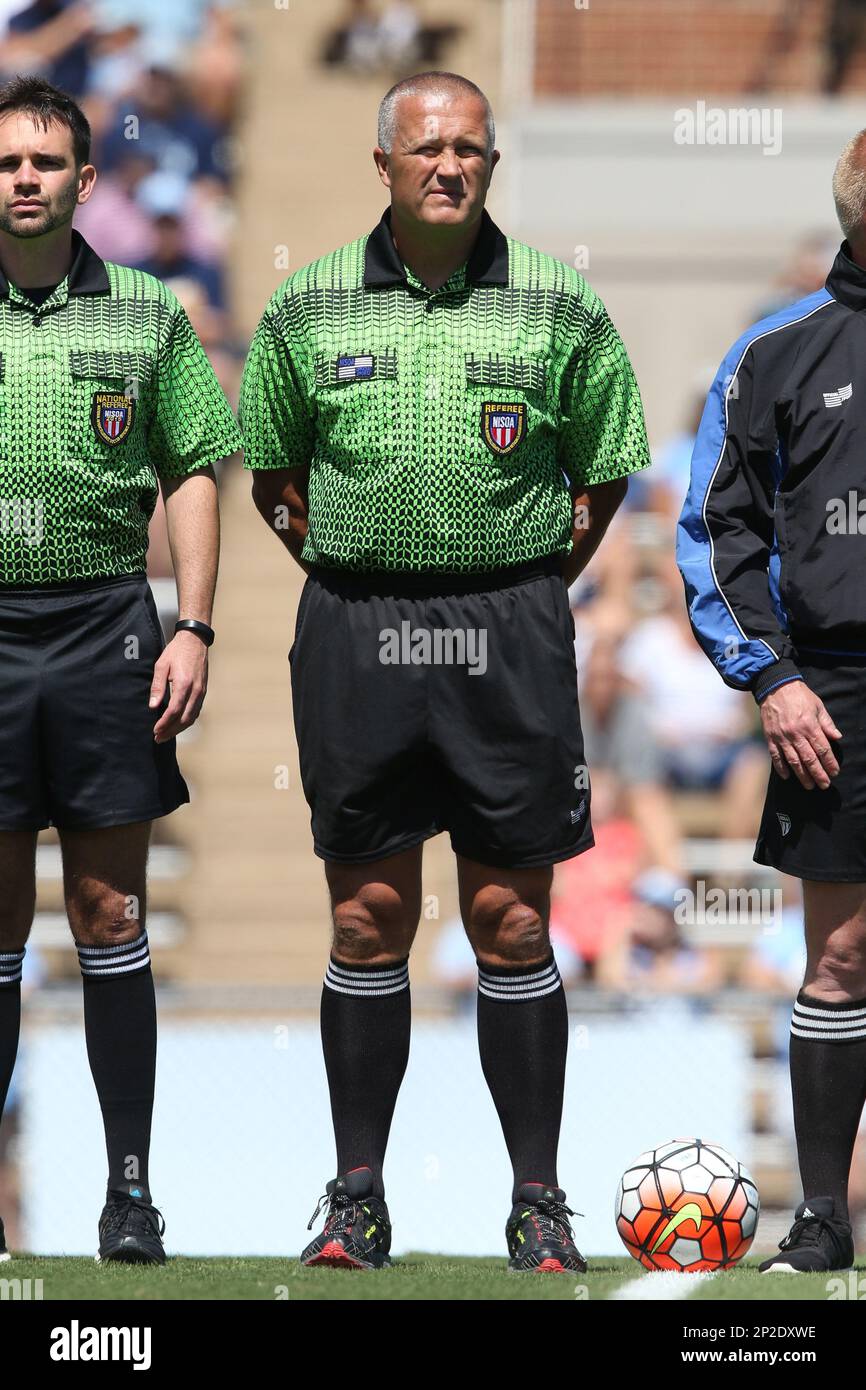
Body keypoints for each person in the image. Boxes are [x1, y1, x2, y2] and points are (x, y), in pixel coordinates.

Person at [241, 69, 650, 1274]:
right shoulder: (306, 306)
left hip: (506, 629)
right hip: (357, 627)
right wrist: (355, 570)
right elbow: (271, 475)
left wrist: (522, 592)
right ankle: (355, 1203)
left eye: (470, 148)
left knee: (511, 920)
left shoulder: (558, 304)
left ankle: (536, 1204)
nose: (447, 166)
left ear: (489, 166)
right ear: (382, 165)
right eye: (425, 148)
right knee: (368, 919)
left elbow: (605, 469)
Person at [0, 76, 241, 1264]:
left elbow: (196, 462)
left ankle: (128, 1195)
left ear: (86, 182)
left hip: (105, 624)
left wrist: (190, 622)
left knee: (109, 911)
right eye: (7, 162)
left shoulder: (148, 314)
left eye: (46, 162)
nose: (25, 179)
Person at [677, 126, 866, 1274]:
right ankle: (821, 1220)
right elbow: (714, 530)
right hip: (832, 691)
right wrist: (774, 677)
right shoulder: (779, 349)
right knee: (838, 961)